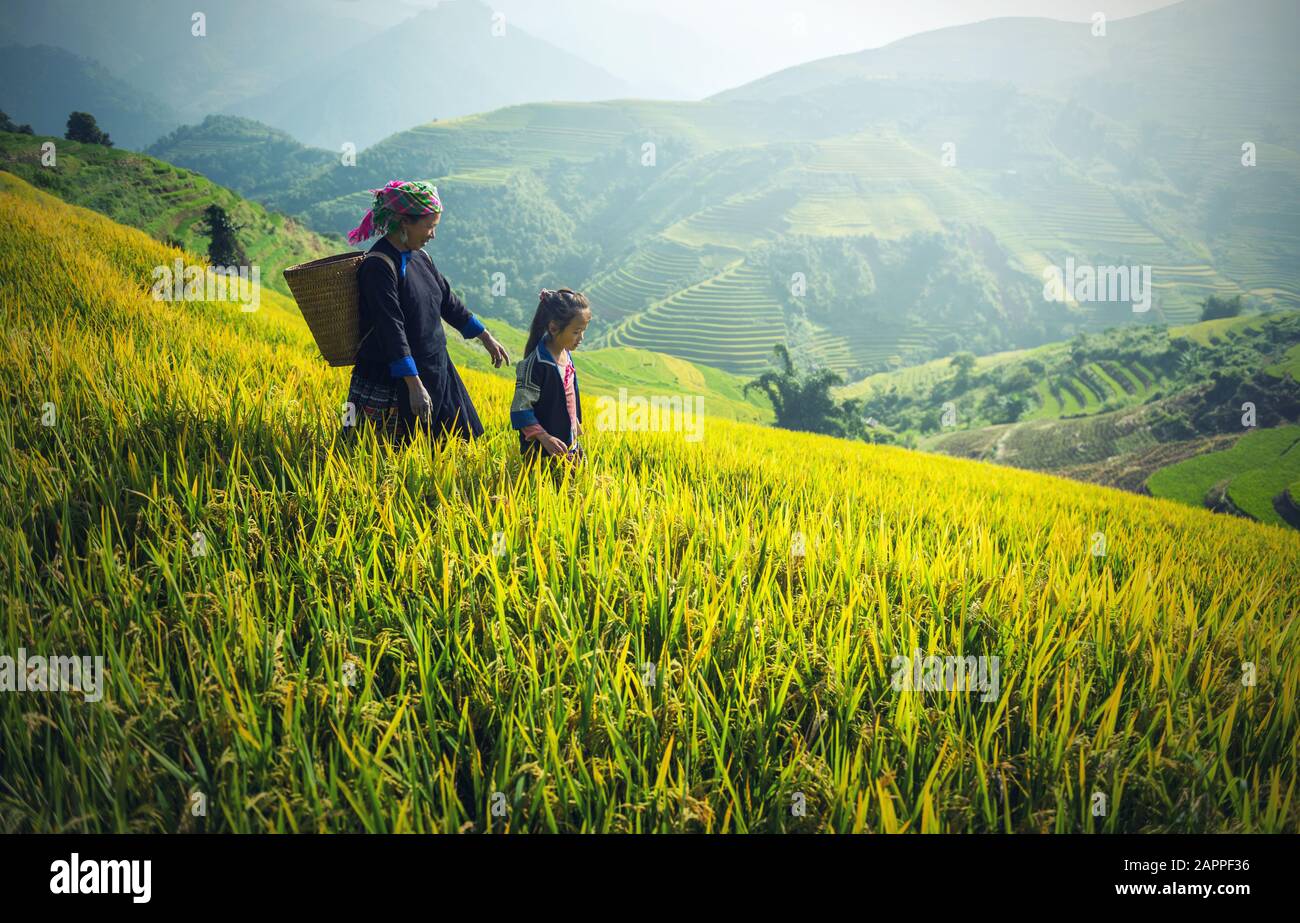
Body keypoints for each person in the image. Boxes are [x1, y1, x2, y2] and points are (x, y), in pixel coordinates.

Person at [344, 179, 509, 445]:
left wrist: (485, 337)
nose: (432, 234)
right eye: (429, 226)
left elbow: (447, 302)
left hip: (436, 368)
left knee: (460, 443)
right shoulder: (379, 266)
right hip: (395, 378)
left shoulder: (421, 257)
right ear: (404, 222)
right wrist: (413, 384)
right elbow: (391, 328)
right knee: (392, 454)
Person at [510, 288, 591, 463]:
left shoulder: (566, 356)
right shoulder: (535, 364)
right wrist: (545, 438)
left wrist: (574, 420)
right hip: (544, 454)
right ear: (554, 328)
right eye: (576, 332)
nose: (581, 338)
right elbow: (521, 409)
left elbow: (567, 395)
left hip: (567, 445)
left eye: (583, 331)